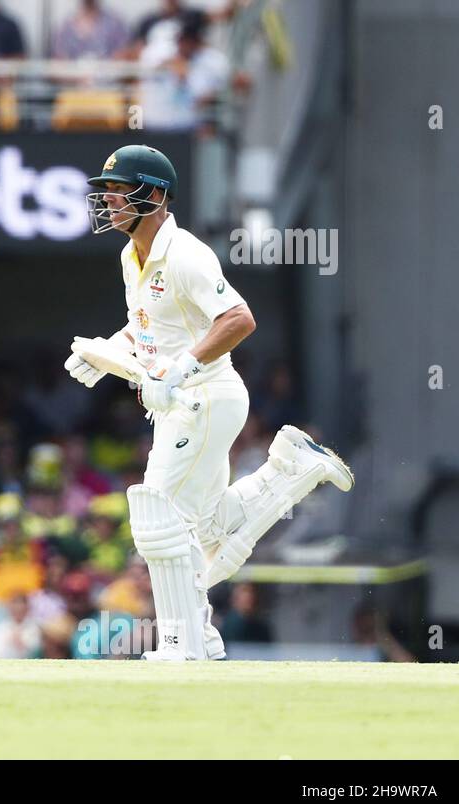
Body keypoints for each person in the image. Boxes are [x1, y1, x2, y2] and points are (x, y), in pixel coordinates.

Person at [68, 145, 353, 660]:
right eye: (105, 193)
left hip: (205, 397)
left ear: (153, 195)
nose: (108, 203)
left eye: (117, 192)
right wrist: (110, 351)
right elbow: (147, 329)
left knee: (158, 514)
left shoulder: (185, 255)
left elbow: (238, 319)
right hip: (182, 403)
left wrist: (179, 371)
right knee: (211, 529)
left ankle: (182, 641)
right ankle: (290, 472)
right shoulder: (132, 257)